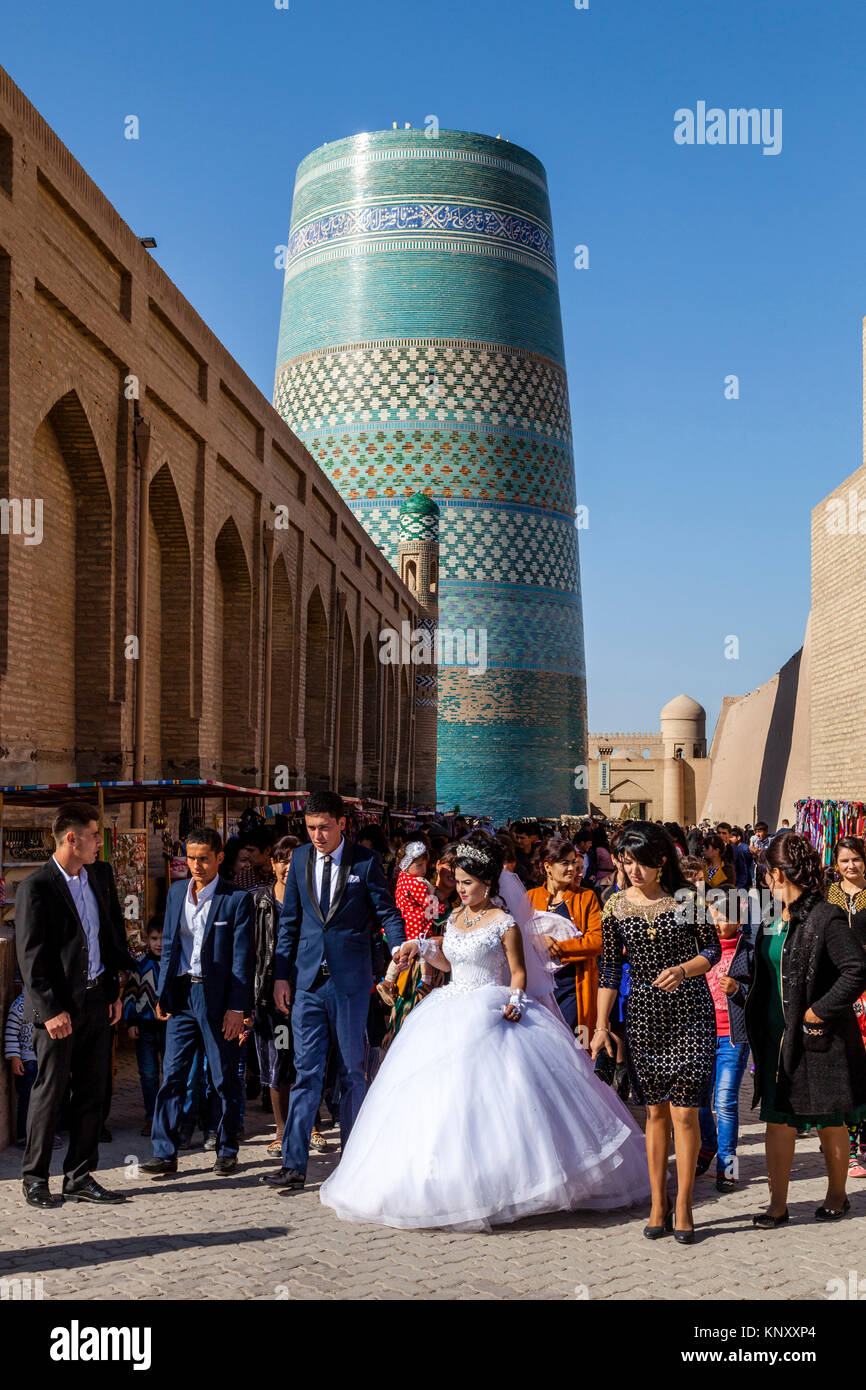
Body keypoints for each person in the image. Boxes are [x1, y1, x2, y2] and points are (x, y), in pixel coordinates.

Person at [318, 837, 650, 1230]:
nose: (460, 888)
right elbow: (450, 960)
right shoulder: (455, 918)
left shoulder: (505, 923)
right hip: (448, 1007)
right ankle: (443, 1183)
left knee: (499, 1099)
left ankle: (513, 1184)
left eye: (468, 882)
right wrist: (423, 948)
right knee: (440, 1102)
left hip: (492, 1007)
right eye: (458, 881)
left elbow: (520, 971)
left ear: (487, 884)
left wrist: (515, 999)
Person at [260, 790, 406, 1192]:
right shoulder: (302, 859)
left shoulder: (366, 861)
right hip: (307, 983)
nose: (318, 835)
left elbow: (387, 912)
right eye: (311, 828)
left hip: (350, 983)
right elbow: (290, 923)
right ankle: (293, 1164)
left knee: (352, 1071)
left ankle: (357, 1160)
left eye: (324, 827)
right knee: (306, 1072)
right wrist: (281, 976)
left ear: (342, 823)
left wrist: (397, 947)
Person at [592, 822, 719, 1243]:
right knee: (655, 1114)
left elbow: (712, 949)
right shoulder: (614, 906)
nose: (633, 872)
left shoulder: (687, 899)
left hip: (690, 1012)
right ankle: (657, 1202)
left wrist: (684, 970)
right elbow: (609, 969)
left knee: (685, 1112)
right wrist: (600, 1025)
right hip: (644, 1016)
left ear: (661, 860)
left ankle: (683, 1203)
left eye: (641, 863)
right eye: (626, 864)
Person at [731, 832, 866, 1227]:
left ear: (776, 873)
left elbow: (856, 969)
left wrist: (818, 1011)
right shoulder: (771, 916)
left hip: (817, 1038)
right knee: (777, 1118)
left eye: (765, 874)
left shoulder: (826, 916)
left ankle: (837, 1196)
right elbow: (760, 968)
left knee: (829, 1120)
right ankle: (777, 1205)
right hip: (775, 1037)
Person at [15, 801, 131, 1209]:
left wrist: (116, 991)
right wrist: (50, 1010)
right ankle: (34, 1177)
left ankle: (80, 1176)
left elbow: (111, 929)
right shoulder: (37, 887)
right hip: (58, 1011)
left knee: (92, 1092)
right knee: (49, 1092)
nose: (100, 842)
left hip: (97, 1001)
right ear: (71, 838)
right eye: (95, 835)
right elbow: (31, 957)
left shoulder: (99, 875)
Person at [141, 827, 254, 1179]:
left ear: (219, 857)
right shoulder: (176, 893)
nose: (196, 865)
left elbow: (241, 958)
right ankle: (164, 1152)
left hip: (217, 998)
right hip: (181, 996)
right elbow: (171, 947)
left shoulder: (235, 899)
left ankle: (226, 1149)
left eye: (203, 858)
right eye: (190, 858)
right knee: (172, 1075)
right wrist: (162, 993)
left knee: (222, 1077)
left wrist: (237, 1008)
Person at [696, 903, 754, 1192]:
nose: (718, 923)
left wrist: (739, 990)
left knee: (725, 1102)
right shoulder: (701, 949)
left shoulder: (749, 949)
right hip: (701, 1036)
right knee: (698, 1102)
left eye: (725, 917)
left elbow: (761, 993)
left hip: (733, 1038)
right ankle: (707, 1146)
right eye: (713, 916)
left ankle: (728, 1166)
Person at [526, 833, 602, 1042]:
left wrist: (557, 947)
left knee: (573, 1044)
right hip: (538, 988)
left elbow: (596, 941)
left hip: (573, 986)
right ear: (547, 866)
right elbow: (516, 937)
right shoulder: (530, 897)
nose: (572, 869)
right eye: (564, 863)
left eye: (573, 863)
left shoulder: (586, 897)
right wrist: (535, 940)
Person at [252, 836, 299, 1157]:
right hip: (269, 999)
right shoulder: (259, 903)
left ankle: (310, 1125)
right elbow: (246, 953)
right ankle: (282, 1129)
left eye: (293, 860)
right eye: (281, 860)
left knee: (306, 1061)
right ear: (272, 863)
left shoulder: (311, 902)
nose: (286, 867)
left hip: (305, 995)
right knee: (276, 1059)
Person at [825, 836, 866, 1176]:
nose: (850, 866)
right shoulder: (828, 898)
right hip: (840, 990)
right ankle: (851, 1147)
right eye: (844, 861)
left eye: (855, 859)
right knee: (848, 1066)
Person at [122, 917, 166, 1137]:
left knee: (170, 1073)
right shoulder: (140, 966)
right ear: (147, 940)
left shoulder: (175, 963)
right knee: (148, 1074)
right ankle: (151, 1117)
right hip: (145, 1028)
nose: (159, 943)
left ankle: (169, 1118)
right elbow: (130, 995)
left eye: (163, 938)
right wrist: (131, 1023)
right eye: (154, 938)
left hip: (170, 1028)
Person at [377, 841, 436, 1006]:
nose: (423, 870)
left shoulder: (402, 877)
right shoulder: (417, 884)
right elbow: (429, 903)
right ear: (407, 864)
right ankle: (425, 982)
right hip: (414, 923)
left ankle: (389, 980)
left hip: (404, 920)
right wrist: (439, 906)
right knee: (422, 950)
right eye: (419, 865)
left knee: (403, 953)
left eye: (425, 865)